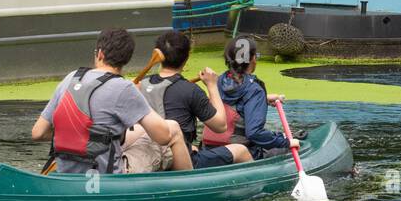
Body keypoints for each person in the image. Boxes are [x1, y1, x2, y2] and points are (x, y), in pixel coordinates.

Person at [31, 28, 182, 174]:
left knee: (134, 134)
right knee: (173, 129)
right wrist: (139, 98)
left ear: (100, 54)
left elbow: (38, 133)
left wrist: (75, 135)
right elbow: (163, 136)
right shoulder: (124, 88)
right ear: (126, 60)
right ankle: (190, 185)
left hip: (67, 174)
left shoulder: (71, 78)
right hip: (105, 179)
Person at [120, 30, 253, 172]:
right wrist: (212, 85)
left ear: (157, 54)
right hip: (180, 157)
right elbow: (220, 126)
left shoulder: (140, 85)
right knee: (241, 150)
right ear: (187, 56)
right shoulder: (190, 90)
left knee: (195, 147)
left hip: (148, 149)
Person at [216, 36, 301, 160]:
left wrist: (263, 99)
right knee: (290, 145)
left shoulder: (219, 81)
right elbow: (254, 133)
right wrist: (286, 142)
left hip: (211, 148)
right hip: (240, 151)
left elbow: (233, 104)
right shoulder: (255, 90)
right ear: (252, 59)